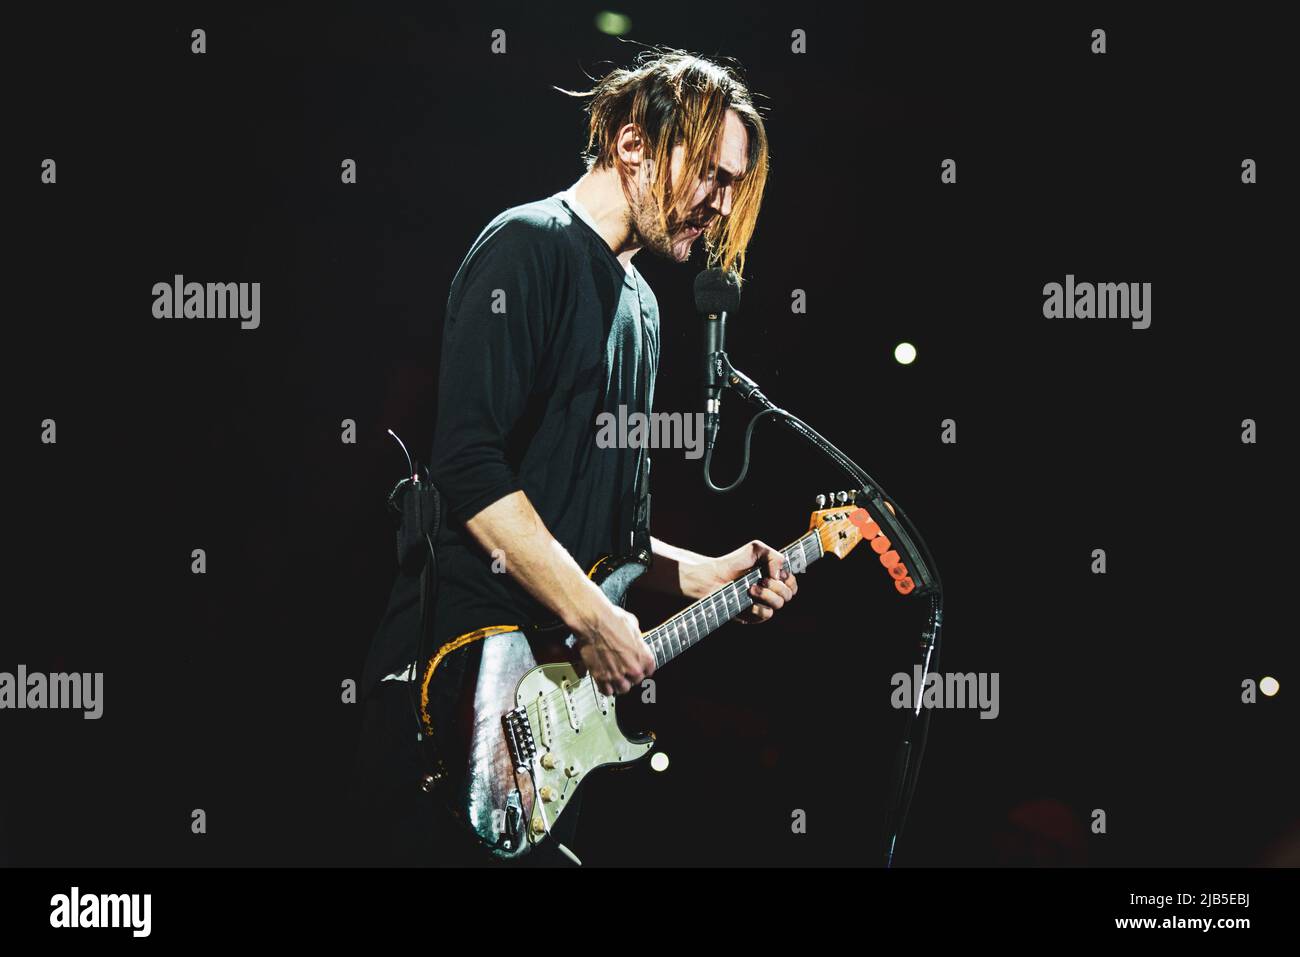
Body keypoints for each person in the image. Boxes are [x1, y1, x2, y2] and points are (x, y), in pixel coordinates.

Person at [352, 49, 798, 867]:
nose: (720, 205)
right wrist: (592, 617)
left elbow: (606, 540)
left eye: (733, 185)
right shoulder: (528, 246)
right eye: (710, 174)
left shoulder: (645, 311)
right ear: (632, 143)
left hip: (547, 738)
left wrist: (710, 574)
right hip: (455, 697)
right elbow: (471, 472)